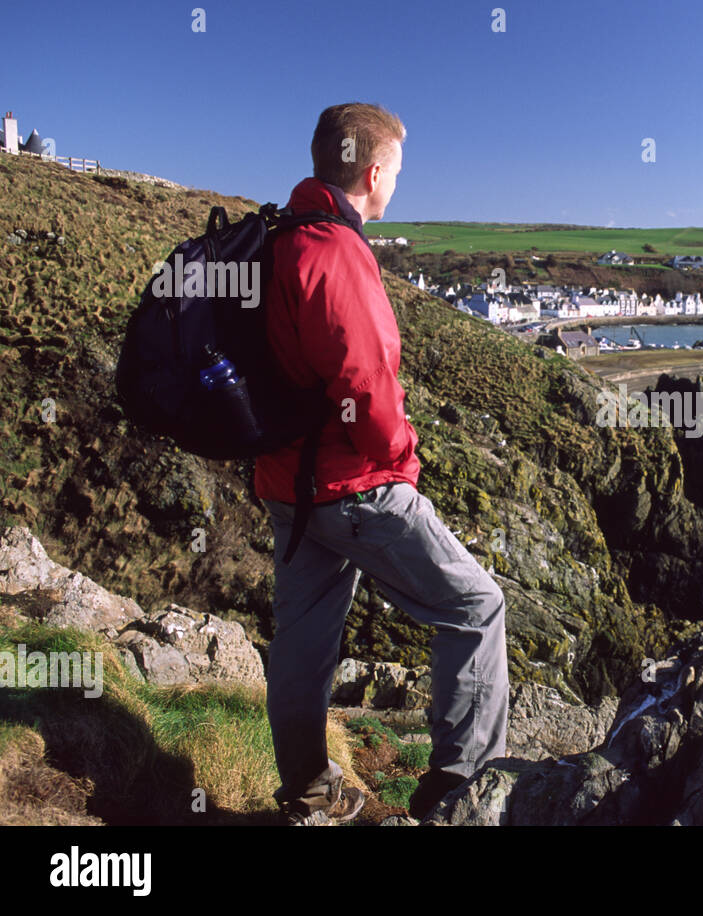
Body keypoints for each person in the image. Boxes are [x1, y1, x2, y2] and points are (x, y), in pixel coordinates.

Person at [255, 102, 509, 825]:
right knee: (475, 607)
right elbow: (366, 390)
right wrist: (403, 461)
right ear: (372, 173)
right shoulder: (336, 251)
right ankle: (461, 795)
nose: (398, 183)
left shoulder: (279, 238)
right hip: (353, 488)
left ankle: (309, 790)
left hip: (287, 483)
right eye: (396, 171)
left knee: (303, 641)